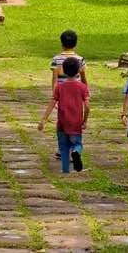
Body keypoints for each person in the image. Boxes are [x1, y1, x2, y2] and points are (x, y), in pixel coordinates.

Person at [38, 56, 90, 173]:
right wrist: (85, 120)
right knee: (77, 144)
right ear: (78, 71)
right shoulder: (82, 87)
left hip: (62, 122)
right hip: (76, 123)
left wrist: (43, 120)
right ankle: (75, 152)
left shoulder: (59, 87)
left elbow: (52, 103)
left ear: (64, 71)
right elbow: (87, 106)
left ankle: (65, 169)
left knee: (63, 147)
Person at [49, 29, 86, 160]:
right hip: (77, 95)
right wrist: (86, 92)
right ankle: (73, 148)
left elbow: (54, 79)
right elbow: (83, 77)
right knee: (75, 121)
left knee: (61, 121)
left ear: (62, 43)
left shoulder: (56, 59)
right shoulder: (80, 59)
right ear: (75, 44)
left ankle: (62, 148)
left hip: (62, 95)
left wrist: (54, 96)